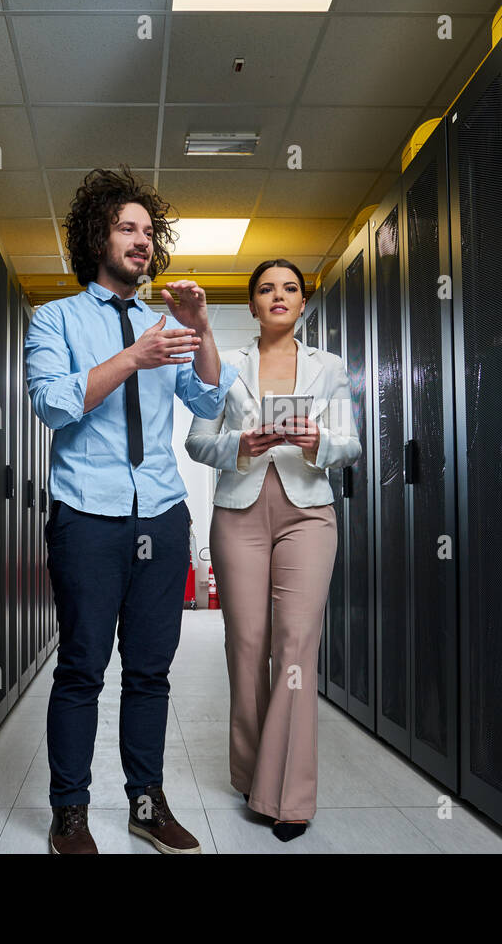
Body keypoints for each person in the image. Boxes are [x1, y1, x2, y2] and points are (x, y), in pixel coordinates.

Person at [24, 165, 239, 854]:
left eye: (149, 231)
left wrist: (198, 326)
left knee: (151, 668)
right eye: (127, 228)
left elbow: (210, 401)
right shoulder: (54, 318)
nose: (141, 240)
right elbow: (54, 403)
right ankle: (70, 812)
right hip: (86, 512)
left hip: (162, 513)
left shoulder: (167, 323)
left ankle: (147, 803)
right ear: (98, 237)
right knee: (83, 664)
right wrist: (132, 356)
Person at [184, 259, 362, 841]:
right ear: (254, 306)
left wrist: (320, 443)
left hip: (308, 512)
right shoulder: (225, 366)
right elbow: (197, 440)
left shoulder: (329, 367)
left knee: (295, 647)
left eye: (290, 288)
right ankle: (250, 774)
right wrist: (243, 441)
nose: (278, 296)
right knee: (247, 646)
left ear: (303, 304)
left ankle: (288, 796)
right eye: (266, 289)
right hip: (240, 511)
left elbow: (351, 444)